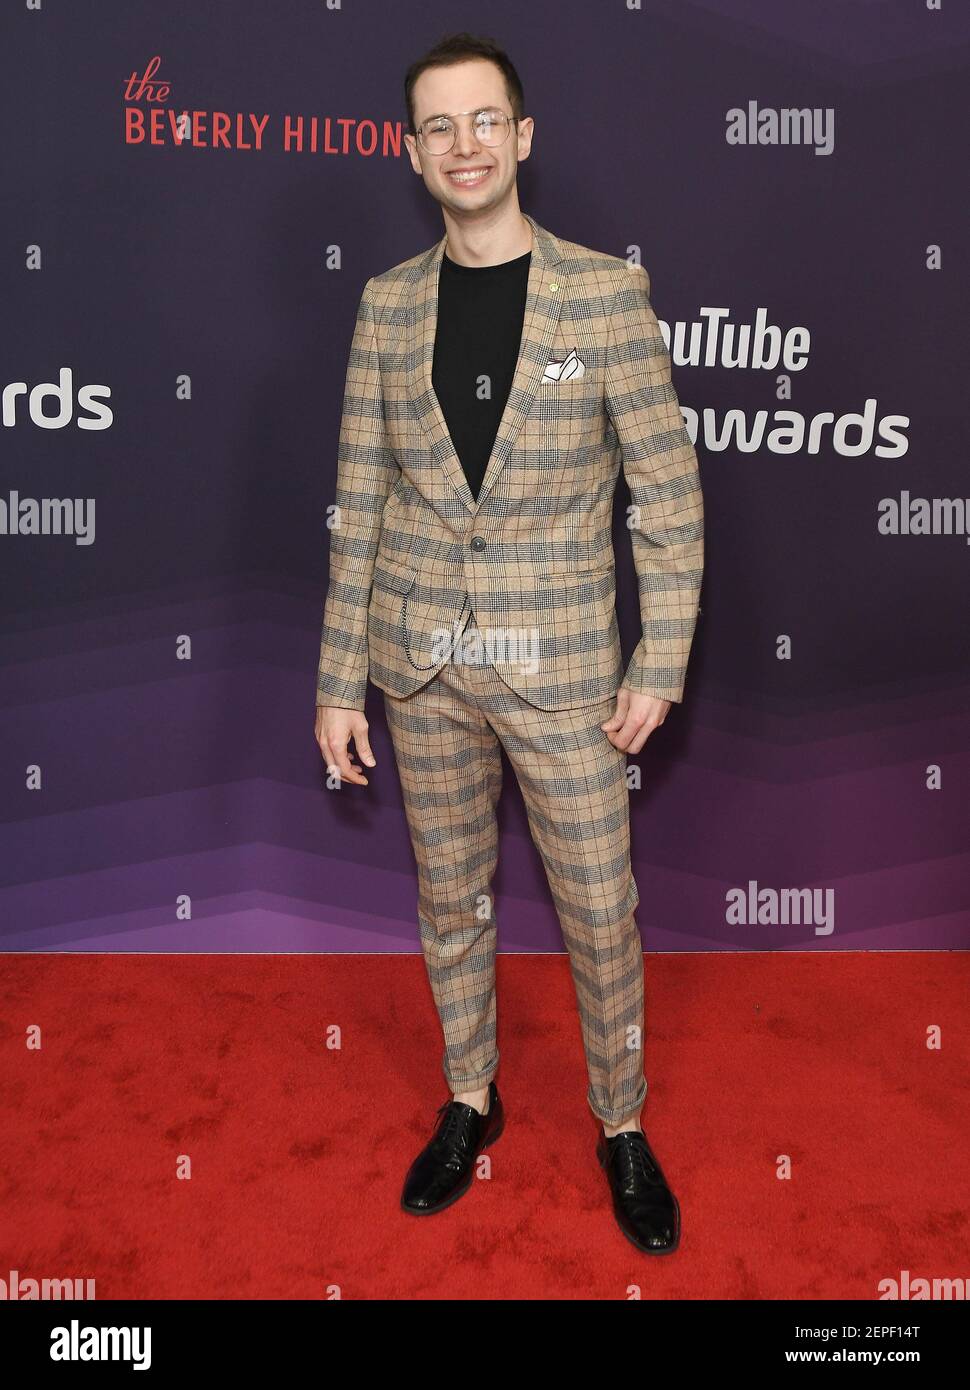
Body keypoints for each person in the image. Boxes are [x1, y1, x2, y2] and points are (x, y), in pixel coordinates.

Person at [314, 31, 704, 1255]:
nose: (463, 145)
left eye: (484, 121)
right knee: (451, 903)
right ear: (414, 154)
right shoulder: (384, 305)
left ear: (522, 138)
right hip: (418, 666)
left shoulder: (604, 292)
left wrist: (660, 660)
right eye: (438, 127)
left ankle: (621, 1123)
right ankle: (470, 1099)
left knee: (599, 909)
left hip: (568, 675)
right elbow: (359, 502)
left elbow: (669, 495)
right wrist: (338, 679)